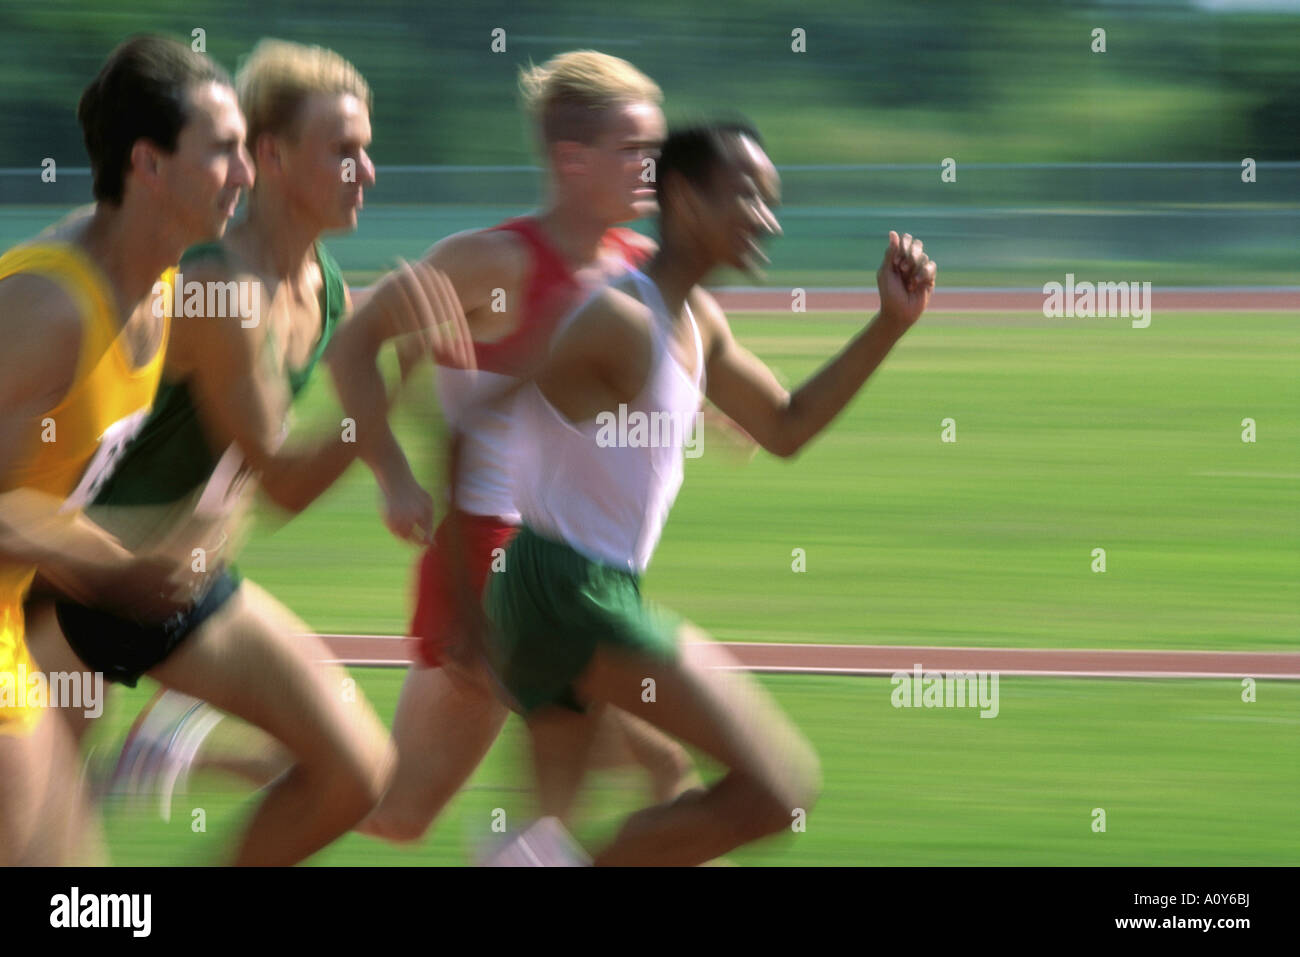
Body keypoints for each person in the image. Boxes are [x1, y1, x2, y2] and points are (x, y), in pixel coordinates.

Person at [25, 39, 472, 866]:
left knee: (358, 771)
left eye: (368, 149)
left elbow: (276, 452)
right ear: (272, 155)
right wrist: (389, 383)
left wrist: (391, 469)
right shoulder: (216, 285)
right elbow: (289, 481)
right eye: (343, 150)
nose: (366, 170)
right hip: (86, 589)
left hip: (182, 590)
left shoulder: (325, 286)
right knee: (56, 866)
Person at [482, 122, 937, 865]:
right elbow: (493, 405)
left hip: (560, 586)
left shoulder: (698, 323)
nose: (768, 220)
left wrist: (889, 324)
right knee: (778, 786)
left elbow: (785, 426)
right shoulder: (620, 317)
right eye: (749, 197)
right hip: (571, 586)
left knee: (545, 838)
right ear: (686, 199)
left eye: (771, 203)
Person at [328, 50, 702, 844]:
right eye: (635, 148)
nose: (654, 167)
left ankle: (194, 751)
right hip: (489, 560)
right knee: (667, 770)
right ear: (572, 159)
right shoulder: (490, 260)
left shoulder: (637, 267)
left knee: (397, 809)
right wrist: (392, 472)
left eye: (657, 148)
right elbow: (351, 347)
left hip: (576, 563)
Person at [0, 34, 253, 865]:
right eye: (223, 151)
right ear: (148, 163)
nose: (246, 175)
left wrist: (132, 558)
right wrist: (113, 568)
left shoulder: (161, 289)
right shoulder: (47, 309)